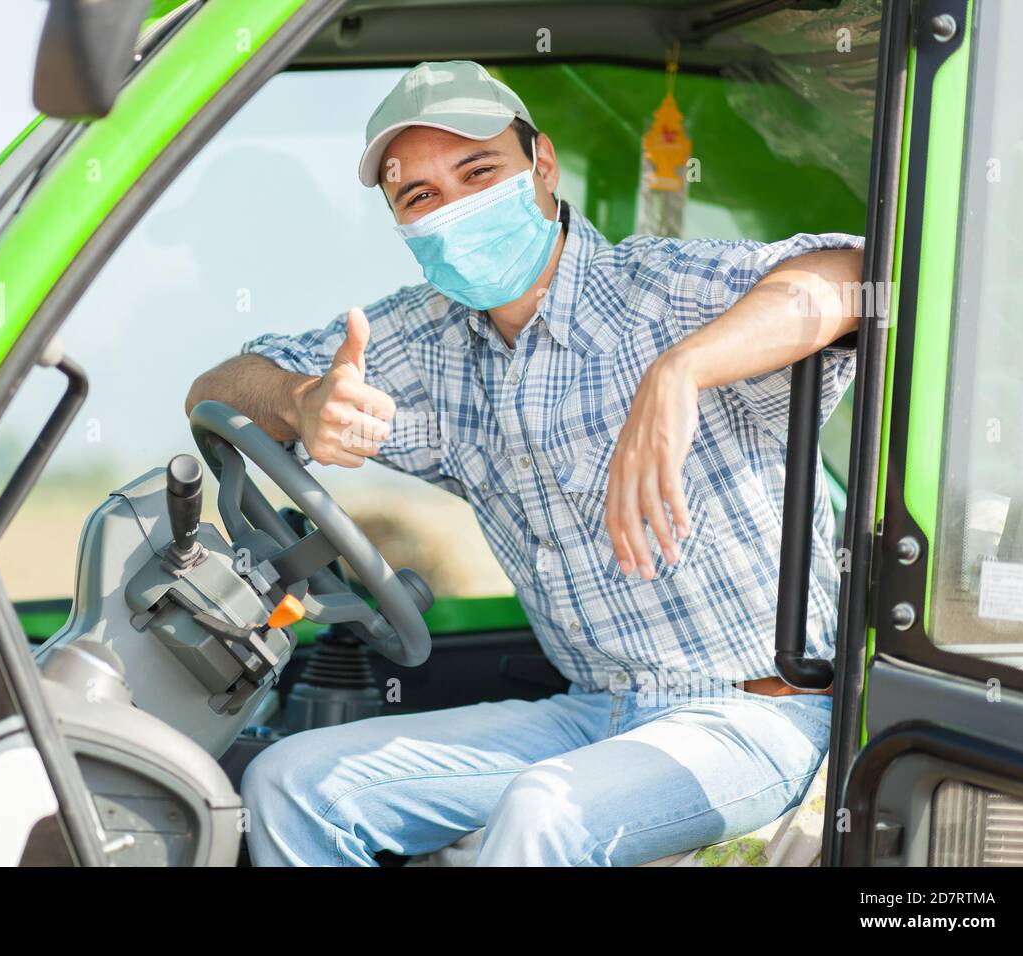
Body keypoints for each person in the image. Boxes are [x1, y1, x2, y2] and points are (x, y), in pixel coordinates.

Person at [186, 60, 863, 866]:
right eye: (422, 196)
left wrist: (681, 371)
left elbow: (852, 277)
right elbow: (219, 386)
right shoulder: (420, 340)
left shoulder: (660, 290)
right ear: (403, 224)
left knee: (543, 813)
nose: (457, 207)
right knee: (289, 782)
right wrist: (301, 401)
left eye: (480, 172)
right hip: (590, 710)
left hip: (754, 715)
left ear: (541, 163)